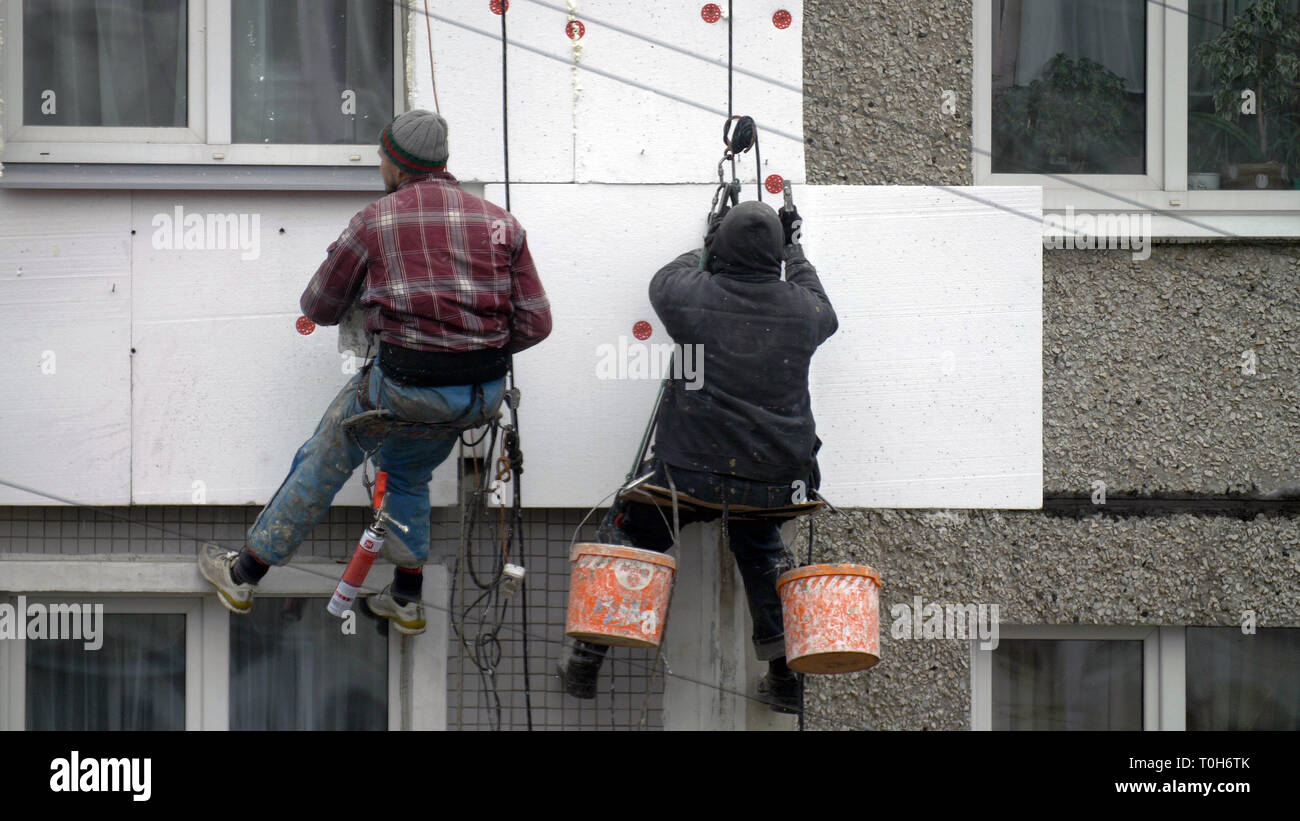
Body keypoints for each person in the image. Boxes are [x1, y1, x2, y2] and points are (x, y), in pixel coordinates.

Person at [199, 110, 551, 634]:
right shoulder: (502, 223)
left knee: (321, 460)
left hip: (401, 390)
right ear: (444, 161)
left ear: (395, 162)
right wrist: (475, 350)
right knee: (408, 473)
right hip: (477, 396)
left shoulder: (376, 220)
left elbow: (318, 305)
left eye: (382, 157)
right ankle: (407, 597)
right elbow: (536, 322)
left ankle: (244, 574)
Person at [558, 199, 837, 713]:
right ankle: (784, 680)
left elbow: (667, 276)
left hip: (690, 476)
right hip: (771, 480)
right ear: (775, 256)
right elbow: (821, 301)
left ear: (720, 250)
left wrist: (708, 241)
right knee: (762, 551)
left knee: (632, 533)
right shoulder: (803, 311)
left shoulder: (690, 296)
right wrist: (794, 247)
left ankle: (586, 658)